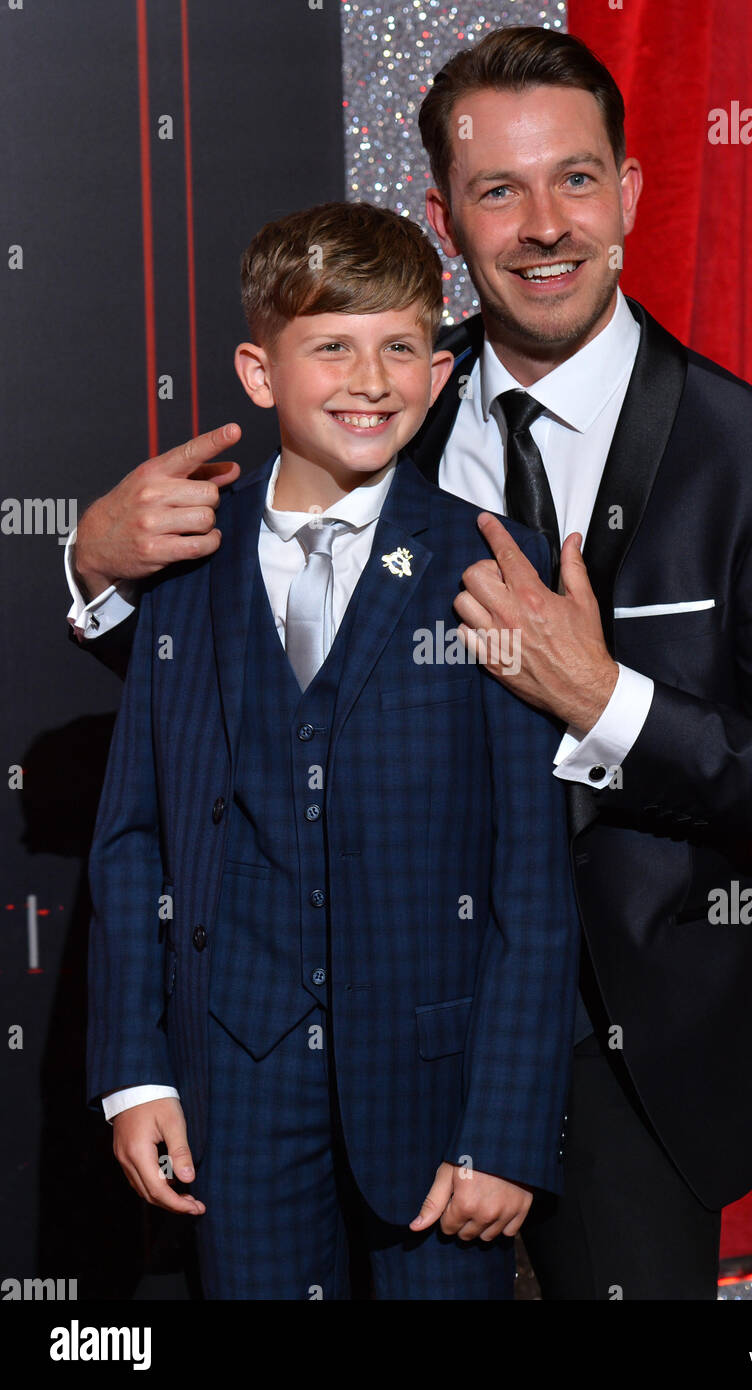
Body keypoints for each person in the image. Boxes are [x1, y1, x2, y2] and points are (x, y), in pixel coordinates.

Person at [70, 28, 752, 1300]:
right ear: (444, 215)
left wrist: (605, 700)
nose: (543, 224)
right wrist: (96, 566)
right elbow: (234, 702)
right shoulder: (379, 384)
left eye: (574, 179)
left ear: (628, 193)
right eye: (497, 190)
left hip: (622, 1052)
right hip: (358, 1022)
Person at [84, 200, 581, 1300]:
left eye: (400, 346)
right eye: (333, 347)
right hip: (236, 1083)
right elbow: (133, 840)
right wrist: (134, 1071)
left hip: (436, 1095)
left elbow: (531, 881)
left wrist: (504, 1125)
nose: (370, 379)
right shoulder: (181, 564)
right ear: (260, 374)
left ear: (440, 373)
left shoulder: (491, 564)